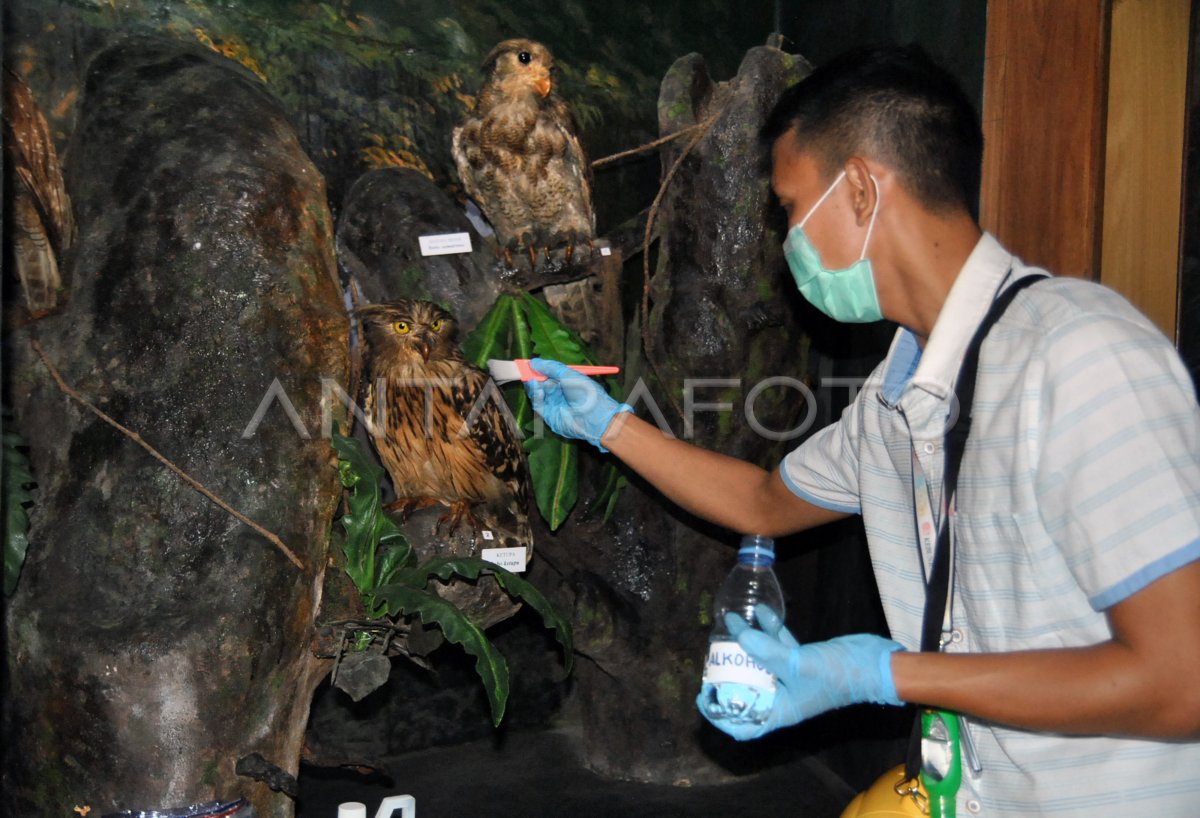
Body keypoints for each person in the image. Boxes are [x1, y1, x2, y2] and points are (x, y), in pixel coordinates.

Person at [523, 45, 1200, 816]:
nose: (788, 244)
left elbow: (1182, 683)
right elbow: (763, 503)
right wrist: (607, 424)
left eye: (787, 208)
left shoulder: (1079, 354)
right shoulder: (894, 397)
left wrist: (878, 674)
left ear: (859, 190)